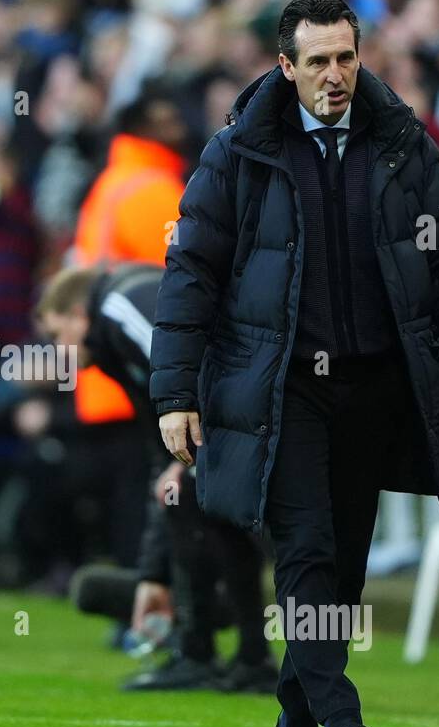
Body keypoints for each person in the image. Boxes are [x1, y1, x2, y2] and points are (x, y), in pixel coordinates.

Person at [151, 0, 439, 727]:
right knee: (305, 549)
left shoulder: (403, 144)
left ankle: (294, 724)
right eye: (318, 62)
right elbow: (191, 275)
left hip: (375, 388)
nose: (335, 76)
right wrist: (174, 393)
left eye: (346, 57)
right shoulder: (238, 152)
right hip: (285, 390)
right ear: (286, 67)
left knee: (344, 563)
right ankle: (343, 719)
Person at [37, 263, 275, 693]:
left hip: (248, 412)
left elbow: (188, 366)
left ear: (77, 313)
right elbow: (158, 452)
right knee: (181, 493)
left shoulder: (117, 308)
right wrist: (152, 575)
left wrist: (197, 454)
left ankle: (204, 652)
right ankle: (245, 657)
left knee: (186, 493)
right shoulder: (110, 344)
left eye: (57, 336)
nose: (60, 351)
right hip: (240, 414)